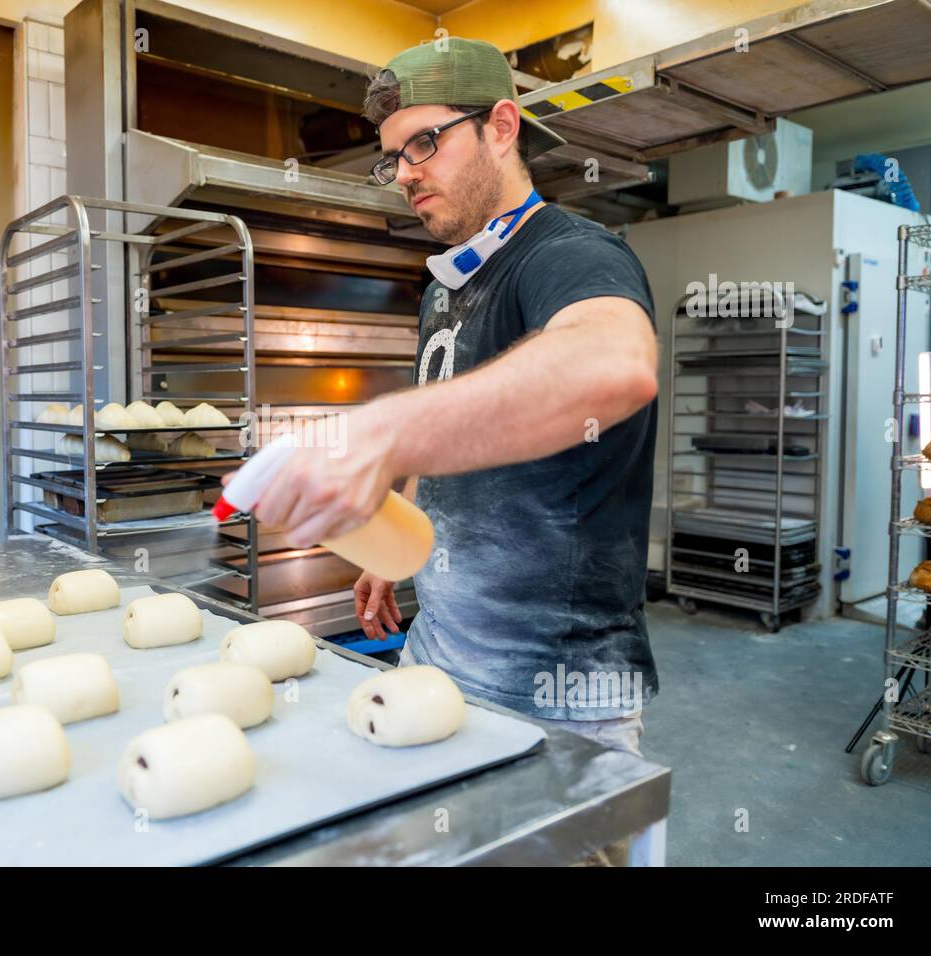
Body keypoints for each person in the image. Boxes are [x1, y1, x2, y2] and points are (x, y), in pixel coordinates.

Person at [247, 38, 659, 761]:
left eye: (425, 144)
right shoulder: (446, 286)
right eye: (393, 158)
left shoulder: (571, 254)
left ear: (502, 128)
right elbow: (450, 420)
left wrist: (382, 433)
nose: (405, 174)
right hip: (435, 656)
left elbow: (614, 364)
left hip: (558, 690)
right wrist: (400, 542)